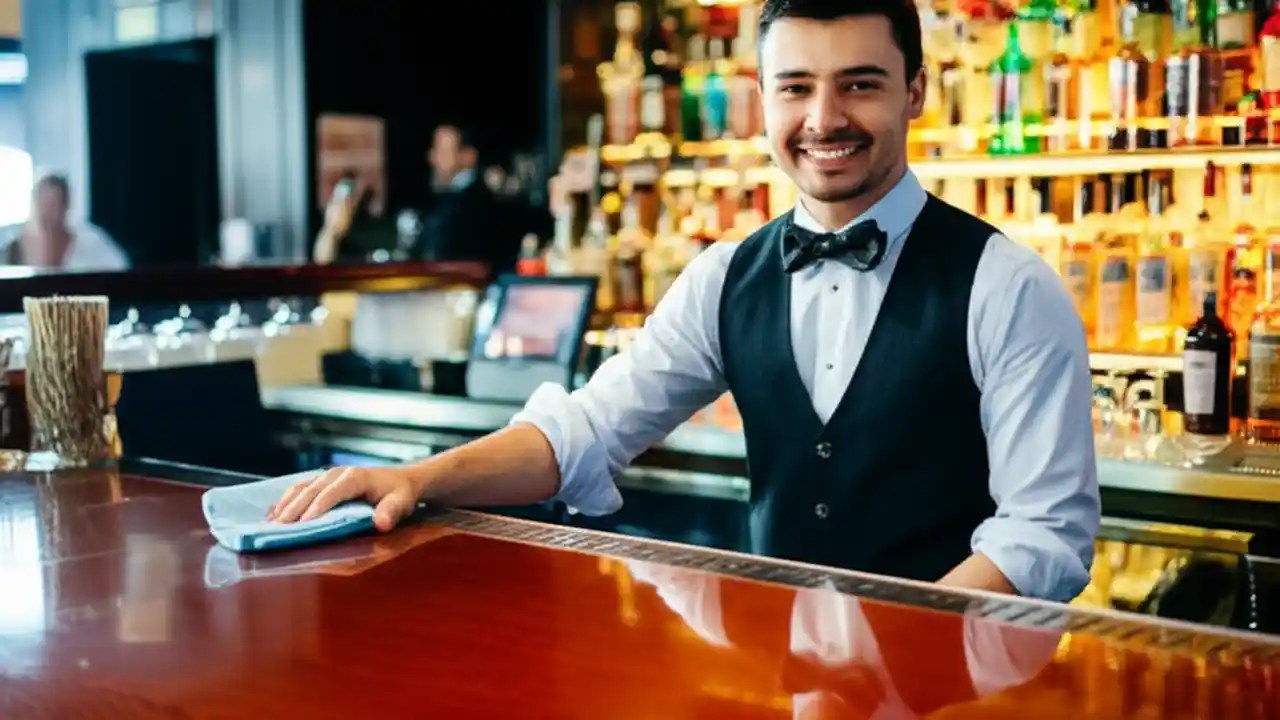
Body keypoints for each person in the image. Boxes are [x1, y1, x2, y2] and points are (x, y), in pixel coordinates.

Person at [269, 0, 1100, 602]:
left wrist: (914, 650)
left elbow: (1043, 531)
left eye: (859, 85)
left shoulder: (1007, 285)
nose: (823, 119)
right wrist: (414, 479)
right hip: (786, 689)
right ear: (763, 98)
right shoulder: (724, 276)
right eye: (796, 88)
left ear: (916, 91)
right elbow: (584, 432)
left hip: (954, 695)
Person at [2, 173, 129, 271]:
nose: (46, 213)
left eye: (53, 205)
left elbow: (121, 270)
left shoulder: (89, 242)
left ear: (66, 207)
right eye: (42, 204)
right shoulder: (11, 246)